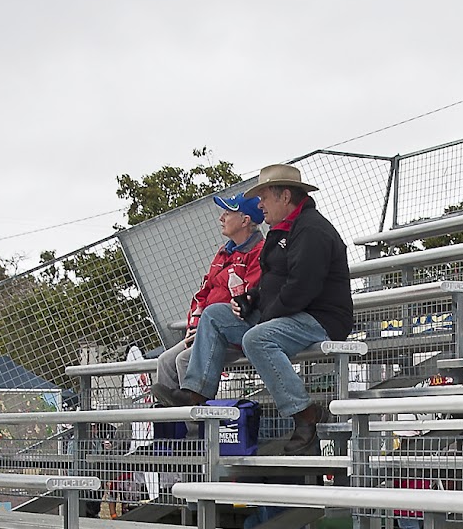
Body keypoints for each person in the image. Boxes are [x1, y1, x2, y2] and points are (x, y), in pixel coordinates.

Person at [177, 163, 354, 456]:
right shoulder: (283, 229)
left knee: (257, 338)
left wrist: (263, 316)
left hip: (320, 318)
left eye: (264, 197)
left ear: (285, 196)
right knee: (215, 314)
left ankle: (305, 415)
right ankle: (195, 393)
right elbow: (274, 279)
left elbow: (302, 289)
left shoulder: (312, 230)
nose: (260, 204)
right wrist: (251, 299)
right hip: (289, 313)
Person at [151, 193, 265, 407]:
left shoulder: (260, 252)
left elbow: (245, 302)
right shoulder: (224, 252)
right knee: (165, 361)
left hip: (234, 331)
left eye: (228, 212)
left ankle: (196, 436)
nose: (221, 218)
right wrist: (194, 327)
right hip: (207, 329)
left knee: (183, 360)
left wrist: (206, 329)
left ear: (245, 220)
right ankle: (170, 430)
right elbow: (202, 294)